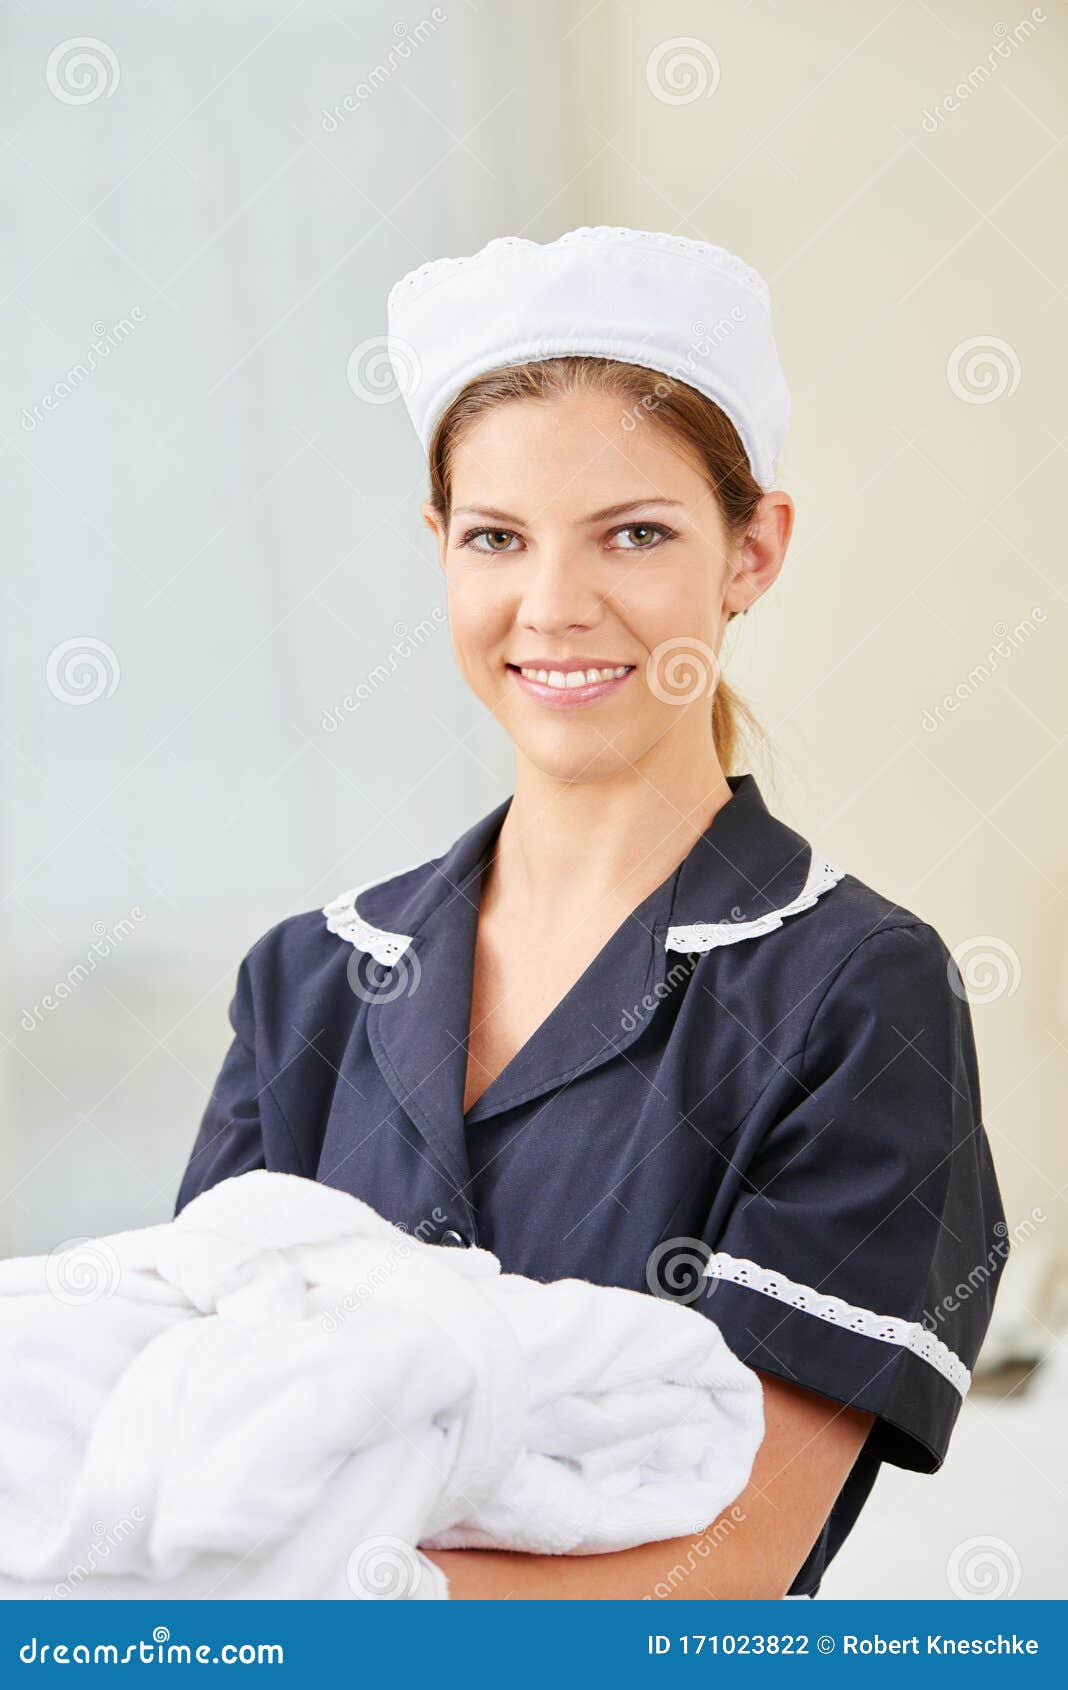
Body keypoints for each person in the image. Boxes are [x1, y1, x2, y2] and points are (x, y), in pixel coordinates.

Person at [175, 228, 1007, 1599]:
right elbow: (189, 1443)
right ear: (439, 545)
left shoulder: (861, 997)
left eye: (635, 532)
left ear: (753, 551)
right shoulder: (309, 984)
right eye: (498, 536)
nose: (556, 607)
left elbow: (715, 1572)